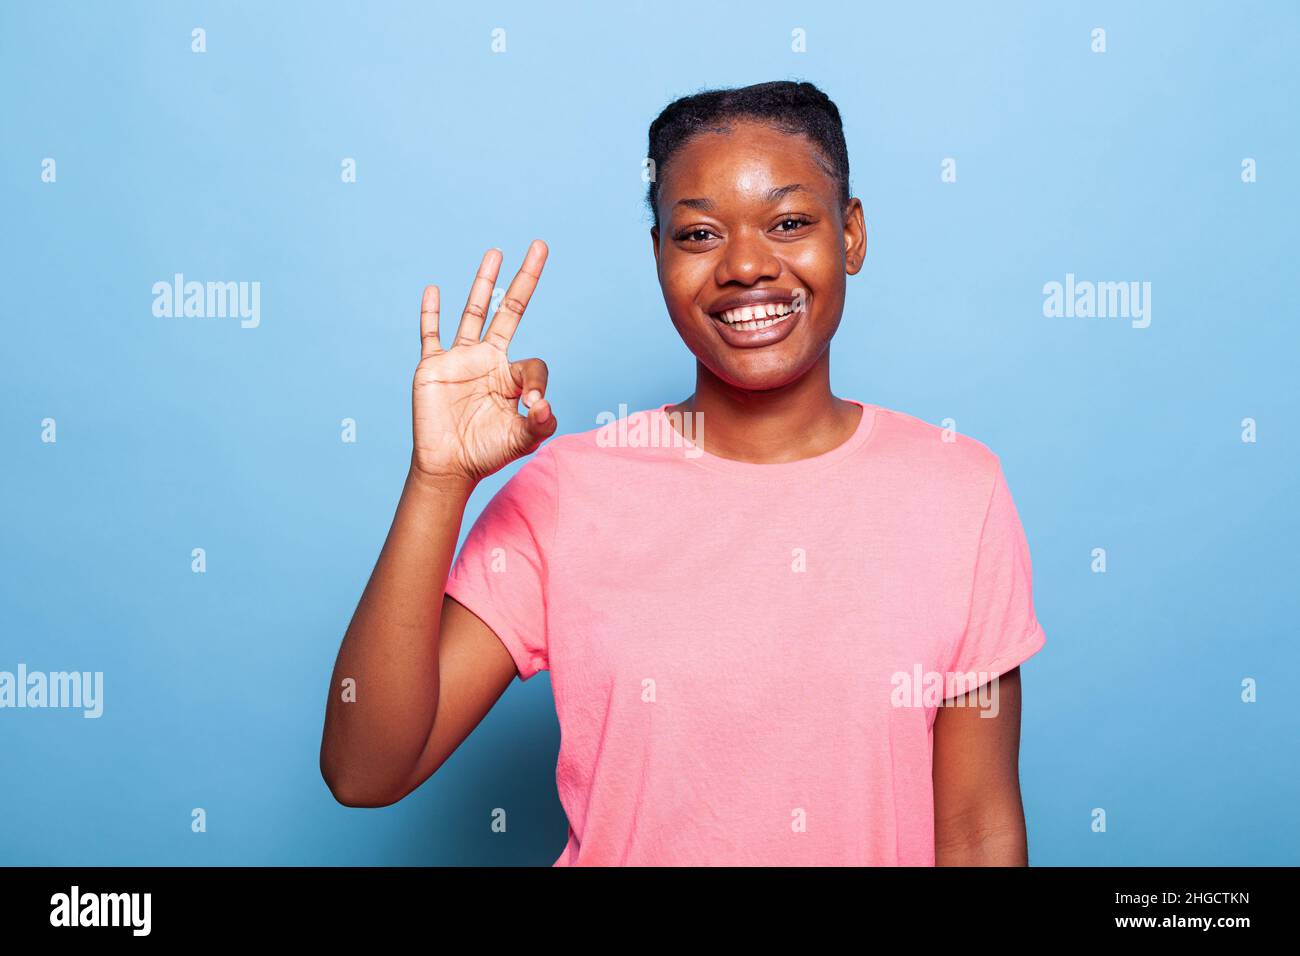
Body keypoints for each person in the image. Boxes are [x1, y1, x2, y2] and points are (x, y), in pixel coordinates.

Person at [319, 80, 1047, 866]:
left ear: (852, 235)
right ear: (659, 255)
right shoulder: (566, 495)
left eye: (790, 222)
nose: (744, 265)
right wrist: (438, 480)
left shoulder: (957, 491)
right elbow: (365, 771)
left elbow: (977, 826)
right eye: (698, 235)